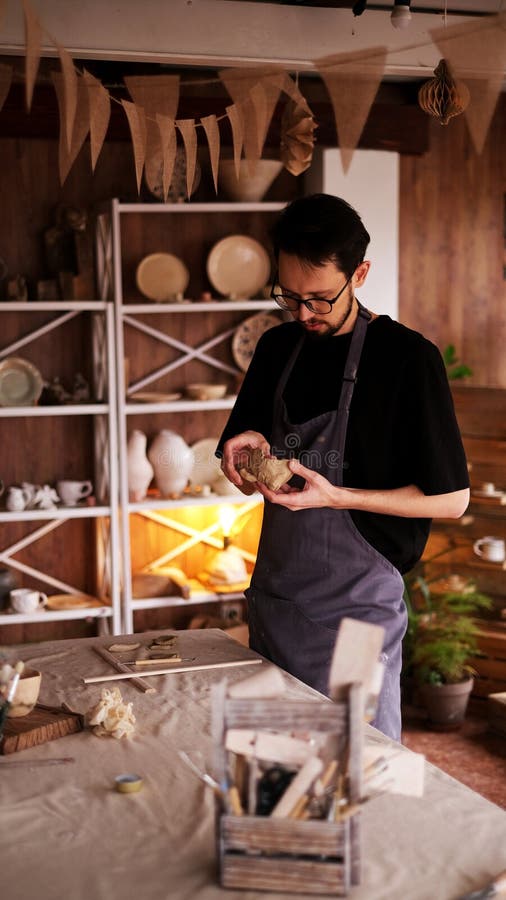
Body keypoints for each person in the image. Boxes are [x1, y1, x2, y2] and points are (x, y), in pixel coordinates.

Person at [217, 193, 469, 741]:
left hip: (358, 620)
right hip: (279, 606)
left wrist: (339, 496)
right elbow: (242, 456)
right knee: (279, 769)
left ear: (360, 273)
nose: (304, 314)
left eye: (320, 299)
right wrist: (244, 452)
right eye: (290, 297)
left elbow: (452, 501)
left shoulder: (407, 359)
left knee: (356, 763)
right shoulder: (276, 347)